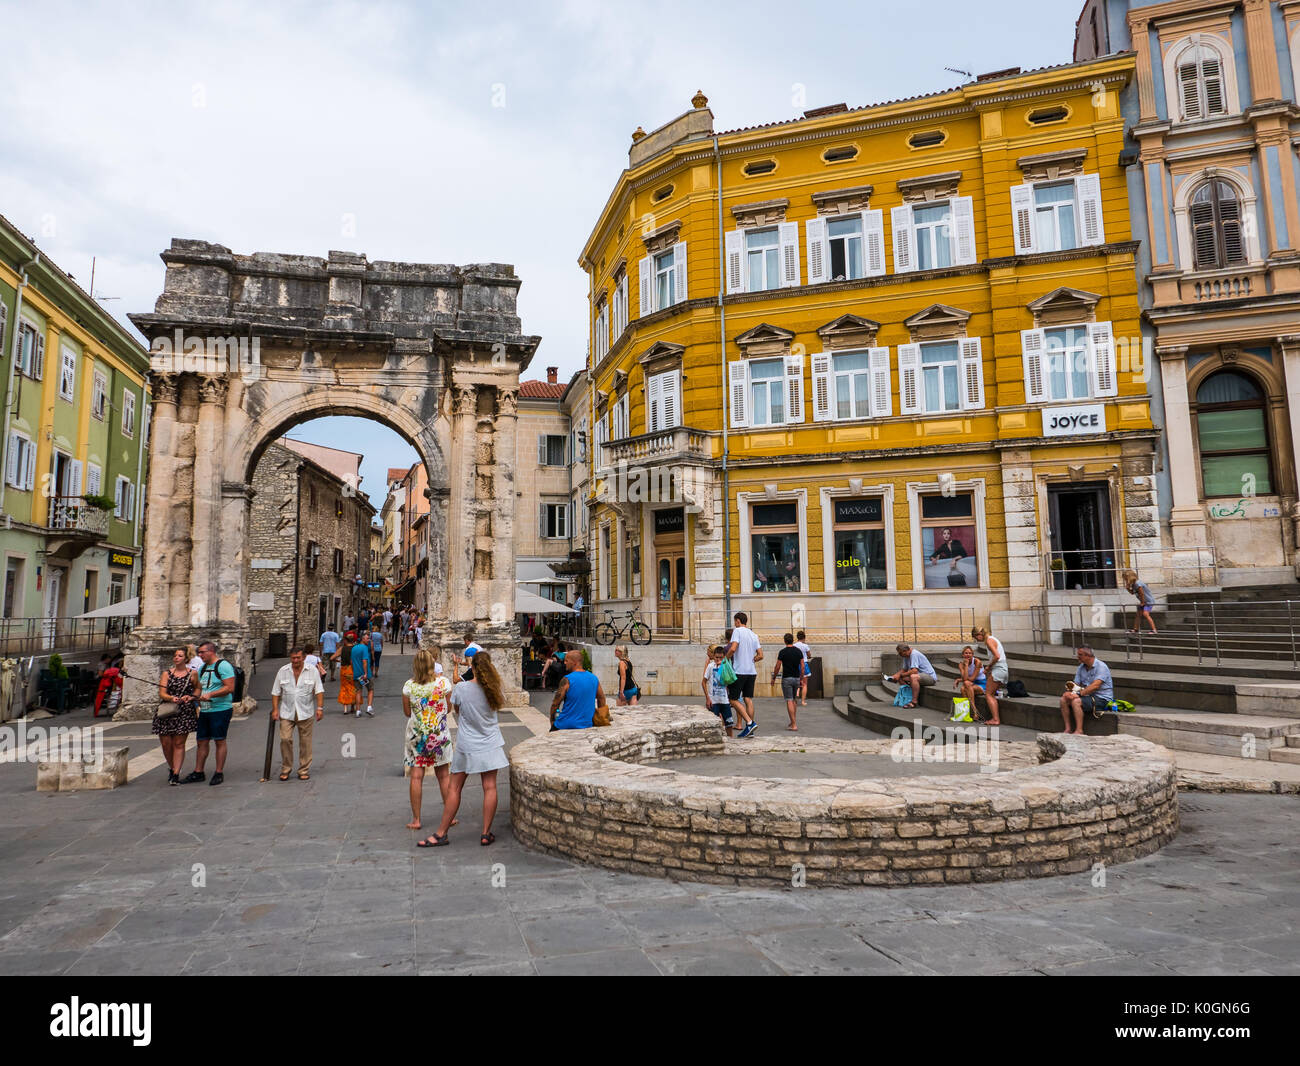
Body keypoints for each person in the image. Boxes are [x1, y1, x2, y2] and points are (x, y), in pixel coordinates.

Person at [418, 651, 510, 848]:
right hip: (490, 742)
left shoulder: (461, 688)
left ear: (473, 668)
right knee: (490, 787)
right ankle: (485, 833)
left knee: (455, 787)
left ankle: (441, 833)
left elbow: (457, 710)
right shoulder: (496, 689)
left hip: (467, 744)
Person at [403, 652, 454, 831]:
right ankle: (450, 816)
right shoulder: (443, 683)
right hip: (438, 733)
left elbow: (407, 712)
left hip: (417, 735)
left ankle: (416, 819)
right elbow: (448, 708)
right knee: (444, 775)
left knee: (416, 776)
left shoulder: (409, 686)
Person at [184, 641, 236, 786]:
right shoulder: (203, 668)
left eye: (202, 652)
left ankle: (219, 772)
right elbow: (200, 688)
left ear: (211, 651)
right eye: (199, 652)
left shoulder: (223, 666)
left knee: (219, 740)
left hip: (220, 709)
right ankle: (198, 771)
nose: (199, 655)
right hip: (205, 709)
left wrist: (212, 694)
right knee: (202, 740)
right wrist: (193, 697)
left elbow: (230, 687)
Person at [271, 646, 324, 781]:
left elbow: (319, 690)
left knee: (305, 742)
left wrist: (320, 708)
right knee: (285, 739)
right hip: (286, 712)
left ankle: (303, 769)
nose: (295, 660)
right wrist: (275, 709)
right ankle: (286, 768)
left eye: (298, 658)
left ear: (304, 657)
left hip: (305, 711)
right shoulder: (283, 671)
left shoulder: (312, 671)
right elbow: (276, 692)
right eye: (293, 658)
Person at [154, 647, 199, 785]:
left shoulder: (193, 674)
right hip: (167, 710)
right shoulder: (166, 674)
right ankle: (172, 767)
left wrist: (190, 697)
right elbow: (162, 693)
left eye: (180, 656)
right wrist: (171, 698)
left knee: (179, 743)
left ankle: (175, 773)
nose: (176, 658)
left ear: (186, 659)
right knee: (166, 743)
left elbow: (198, 689)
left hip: (184, 711)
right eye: (175, 655)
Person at [1060, 645, 1114, 735]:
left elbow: (1095, 686)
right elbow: (1076, 684)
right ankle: (1068, 728)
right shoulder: (1081, 667)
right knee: (1063, 700)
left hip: (1103, 698)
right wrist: (1070, 693)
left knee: (1076, 701)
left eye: (1080, 655)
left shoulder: (1101, 667)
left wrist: (1078, 694)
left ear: (1088, 656)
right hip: (1087, 696)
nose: (1078, 657)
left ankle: (1079, 730)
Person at [726, 611, 762, 738]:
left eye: (735, 621)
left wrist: (726, 659)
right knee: (748, 699)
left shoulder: (737, 631)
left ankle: (750, 723)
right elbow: (760, 655)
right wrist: (752, 659)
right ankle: (749, 729)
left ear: (737, 621)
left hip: (739, 671)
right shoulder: (753, 634)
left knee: (733, 699)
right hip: (751, 671)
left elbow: (733, 648)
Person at [550, 649, 606, 730]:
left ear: (575, 662)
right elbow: (601, 698)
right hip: (587, 724)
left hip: (565, 724)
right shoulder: (594, 678)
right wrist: (600, 718)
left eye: (566, 660)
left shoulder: (567, 679)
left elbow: (555, 703)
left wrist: (552, 720)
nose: (564, 662)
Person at [971, 626, 1006, 725]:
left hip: (999, 668)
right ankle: (995, 718)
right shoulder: (992, 639)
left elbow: (997, 656)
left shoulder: (989, 641)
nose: (977, 640)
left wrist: (988, 667)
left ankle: (995, 719)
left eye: (976, 637)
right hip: (1002, 668)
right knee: (992, 693)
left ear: (979, 634)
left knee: (989, 694)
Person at [771, 632, 804, 731]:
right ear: (793, 640)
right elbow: (802, 667)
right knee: (793, 700)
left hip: (787, 679)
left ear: (785, 641)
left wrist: (774, 677)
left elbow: (777, 666)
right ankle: (793, 721)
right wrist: (801, 678)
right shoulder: (798, 651)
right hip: (796, 678)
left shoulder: (783, 652)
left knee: (789, 700)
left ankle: (794, 724)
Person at [888, 643, 937, 710]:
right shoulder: (906, 656)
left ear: (905, 651)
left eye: (900, 653)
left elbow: (914, 671)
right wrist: (895, 676)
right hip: (920, 676)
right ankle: (908, 697)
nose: (900, 655)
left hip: (930, 677)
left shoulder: (914, 654)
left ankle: (914, 702)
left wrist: (901, 675)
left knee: (913, 677)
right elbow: (904, 669)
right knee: (901, 678)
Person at [701, 644, 735, 737]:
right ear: (713, 656)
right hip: (713, 701)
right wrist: (707, 698)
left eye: (720, 657)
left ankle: (730, 741)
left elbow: (731, 680)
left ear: (724, 657)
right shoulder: (711, 666)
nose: (718, 659)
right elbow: (703, 682)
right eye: (716, 657)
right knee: (713, 724)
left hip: (724, 700)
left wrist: (724, 665)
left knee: (729, 724)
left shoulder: (726, 666)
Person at [954, 645, 987, 720]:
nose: (968, 655)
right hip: (971, 684)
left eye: (970, 653)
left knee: (965, 684)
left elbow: (971, 678)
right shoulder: (961, 664)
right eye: (966, 653)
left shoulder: (977, 662)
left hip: (981, 684)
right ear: (963, 655)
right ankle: (966, 713)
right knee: (963, 688)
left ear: (973, 654)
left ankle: (974, 712)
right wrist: (965, 665)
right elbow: (965, 678)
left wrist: (959, 679)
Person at [1124, 570, 1159, 634]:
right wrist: (1128, 589)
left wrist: (1142, 602)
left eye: (1126, 579)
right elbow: (1133, 593)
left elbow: (1142, 594)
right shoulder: (1134, 584)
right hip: (1143, 601)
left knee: (1145, 614)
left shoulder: (1138, 584)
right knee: (1138, 615)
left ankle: (1154, 630)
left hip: (1148, 601)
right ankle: (1135, 629)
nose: (1125, 580)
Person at [352, 632, 375, 716]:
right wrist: (365, 673)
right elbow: (364, 661)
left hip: (356, 673)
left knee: (358, 691)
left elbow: (352, 661)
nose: (368, 640)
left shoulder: (354, 648)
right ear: (362, 639)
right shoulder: (364, 648)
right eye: (367, 638)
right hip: (365, 674)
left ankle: (358, 711)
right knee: (370, 690)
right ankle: (369, 707)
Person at [794, 629, 812, 707]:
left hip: (795, 664)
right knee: (804, 684)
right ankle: (803, 701)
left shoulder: (794, 645)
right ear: (804, 638)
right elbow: (809, 655)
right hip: (804, 664)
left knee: (796, 682)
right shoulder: (805, 646)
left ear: (797, 637)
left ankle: (796, 696)